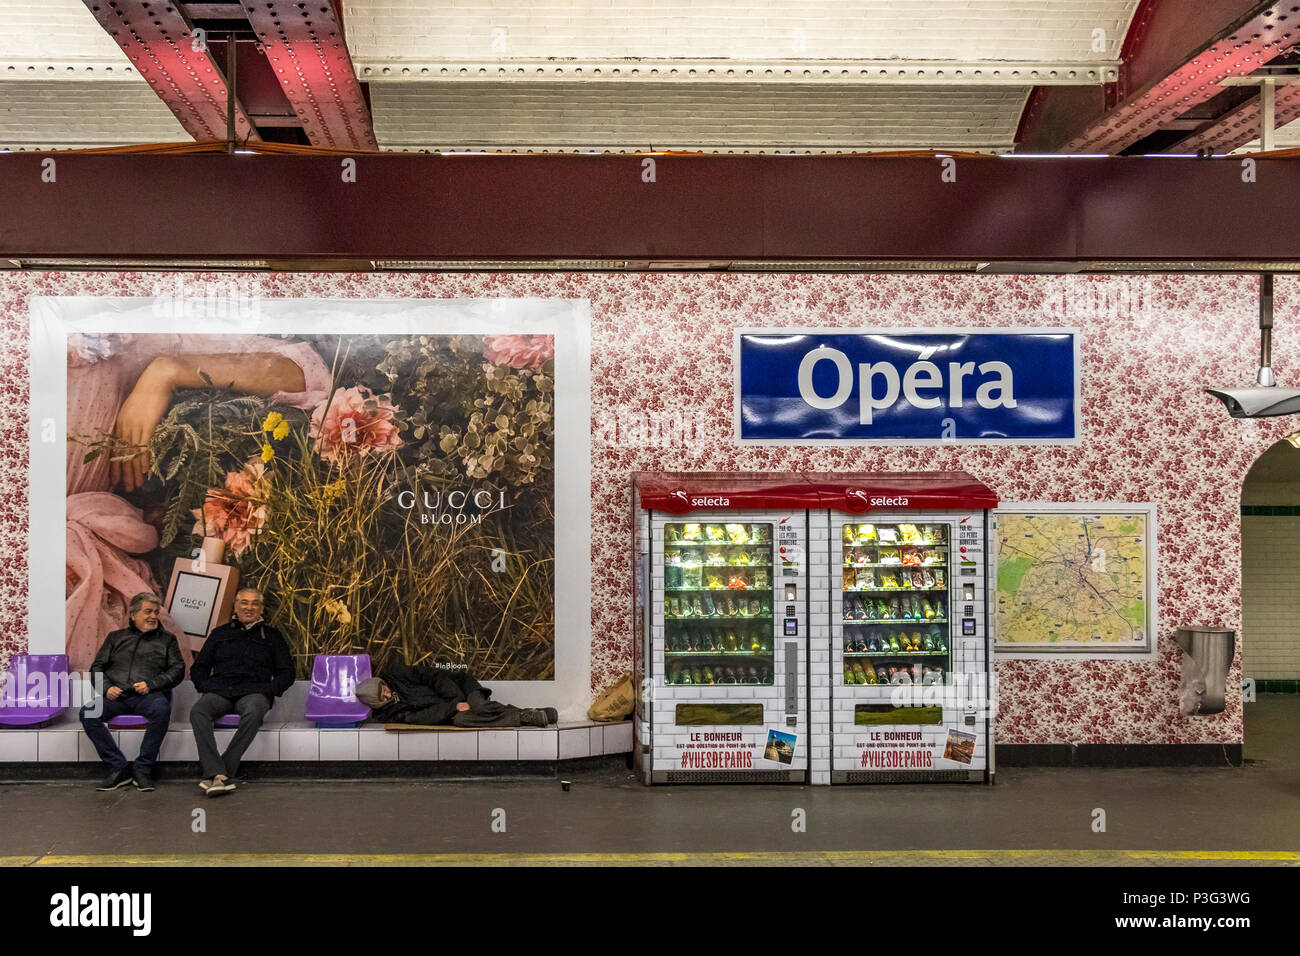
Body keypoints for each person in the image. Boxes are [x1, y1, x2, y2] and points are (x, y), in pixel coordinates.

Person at [65, 332, 332, 673]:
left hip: (85, 574)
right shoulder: (28, 325)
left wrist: (167, 370)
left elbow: (304, 373)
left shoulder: (114, 334)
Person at [188, 587, 294, 797]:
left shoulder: (272, 636)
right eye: (244, 602)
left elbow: (287, 672)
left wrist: (268, 691)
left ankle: (220, 772)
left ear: (261, 608)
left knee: (254, 711)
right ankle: (220, 774)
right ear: (235, 606)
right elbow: (198, 668)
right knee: (198, 712)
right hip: (220, 692)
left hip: (254, 692)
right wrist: (207, 686)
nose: (249, 607)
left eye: (255, 603)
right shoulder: (219, 634)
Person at [80, 591, 184, 792]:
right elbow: (97, 667)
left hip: (149, 696)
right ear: (133, 614)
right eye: (148, 612)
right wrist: (106, 688)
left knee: (161, 710)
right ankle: (118, 767)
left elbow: (177, 669)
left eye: (156, 612)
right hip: (117, 696)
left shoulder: (167, 640)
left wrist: (151, 684)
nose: (153, 616)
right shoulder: (115, 637)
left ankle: (143, 768)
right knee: (87, 712)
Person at [355, 664, 557, 728]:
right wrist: (454, 708)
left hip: (462, 687)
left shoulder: (396, 675)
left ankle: (528, 716)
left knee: (479, 706)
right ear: (377, 704)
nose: (388, 693)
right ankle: (526, 716)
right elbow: (422, 718)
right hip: (451, 712)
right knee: (463, 720)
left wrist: (458, 700)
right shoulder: (390, 714)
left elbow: (434, 676)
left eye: (385, 688)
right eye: (383, 697)